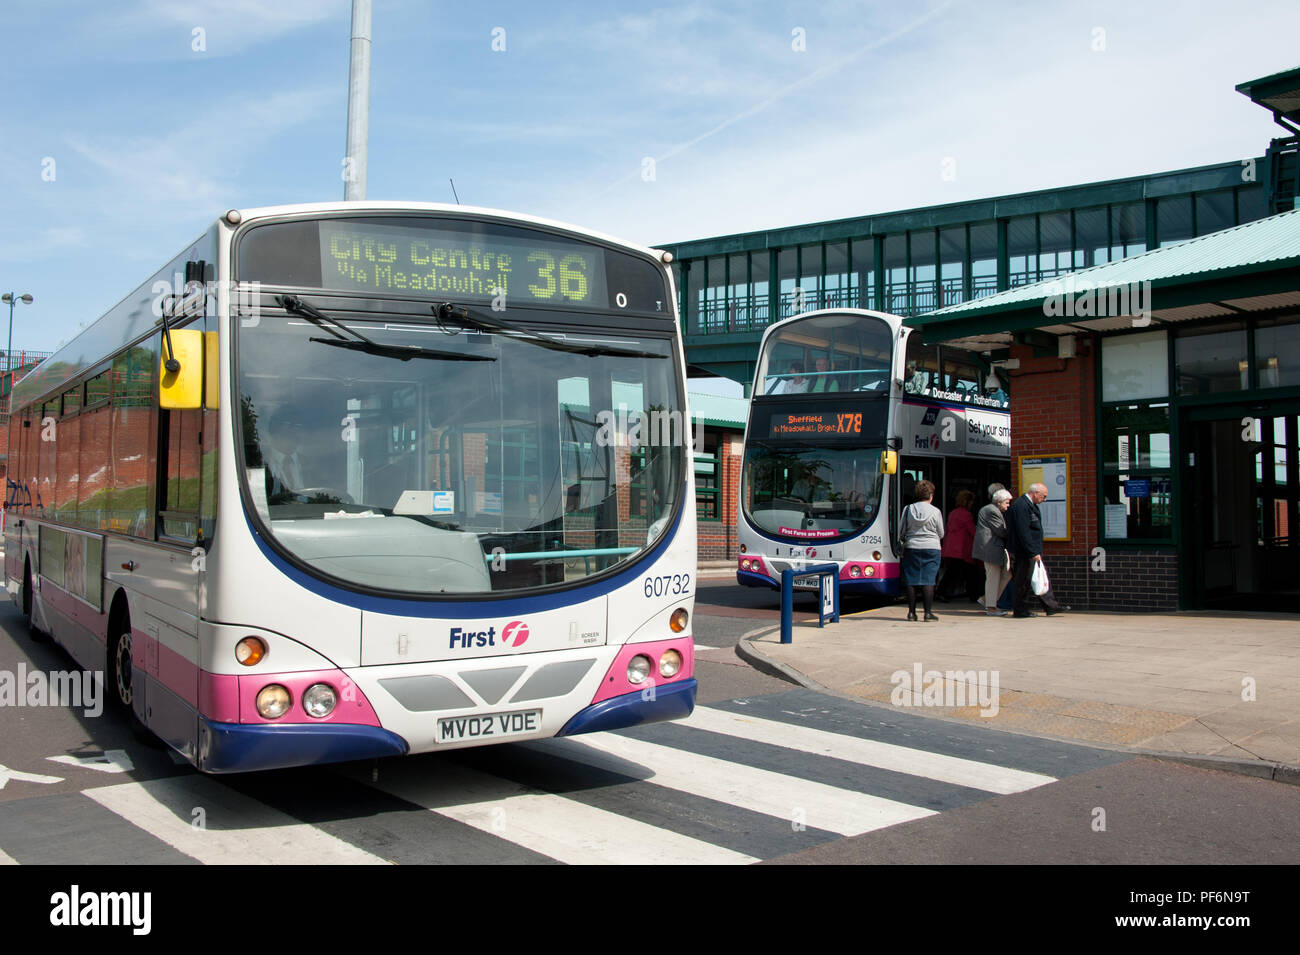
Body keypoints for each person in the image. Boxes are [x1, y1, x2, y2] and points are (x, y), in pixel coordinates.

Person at [1006, 482, 1068, 618]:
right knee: (1024, 580)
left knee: (1038, 577)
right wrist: (1033, 552)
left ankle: (1050, 606)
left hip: (1031, 550)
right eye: (1043, 496)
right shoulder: (1021, 507)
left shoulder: (1029, 505)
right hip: (1025, 552)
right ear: (1035, 493)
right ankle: (1021, 610)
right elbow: (1023, 532)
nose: (1044, 500)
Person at [899, 479, 944, 621]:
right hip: (931, 548)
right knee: (928, 580)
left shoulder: (908, 509)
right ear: (930, 495)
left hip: (912, 547)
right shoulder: (936, 511)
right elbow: (941, 532)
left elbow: (901, 530)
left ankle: (911, 613)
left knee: (911, 580)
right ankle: (928, 613)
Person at [972, 488, 1014, 616]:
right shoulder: (992, 510)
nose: (1008, 505)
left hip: (992, 548)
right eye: (1007, 502)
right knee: (993, 577)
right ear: (999, 502)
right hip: (991, 549)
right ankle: (991, 607)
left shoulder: (991, 510)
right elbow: (1001, 531)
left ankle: (987, 599)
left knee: (1005, 574)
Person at [938, 489, 979, 602]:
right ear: (968, 502)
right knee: (969, 573)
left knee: (952, 572)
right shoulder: (967, 515)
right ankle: (974, 595)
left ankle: (941, 591)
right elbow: (972, 532)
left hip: (950, 548)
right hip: (961, 550)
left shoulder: (953, 513)